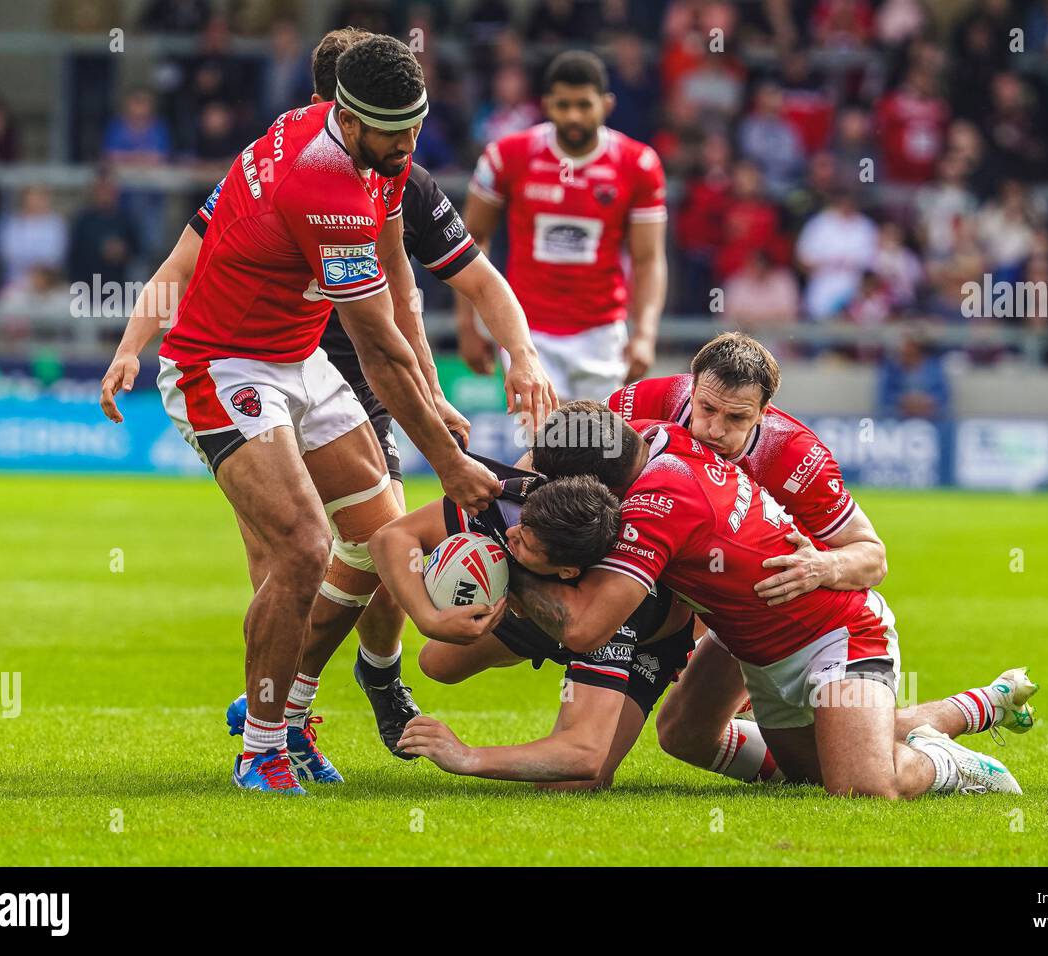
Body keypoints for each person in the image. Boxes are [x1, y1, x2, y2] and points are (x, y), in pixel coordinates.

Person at [101, 29, 556, 778]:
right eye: (395, 129)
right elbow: (377, 350)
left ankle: (293, 701)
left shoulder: (344, 142)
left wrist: (435, 395)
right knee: (300, 551)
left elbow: (402, 296)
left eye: (417, 122)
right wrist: (452, 467)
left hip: (298, 357)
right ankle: (263, 750)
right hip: (219, 366)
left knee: (383, 539)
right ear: (346, 119)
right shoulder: (324, 187)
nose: (410, 141)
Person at [503, 403, 1028, 798]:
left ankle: (951, 765)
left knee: (862, 786)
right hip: (751, 645)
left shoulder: (655, 507)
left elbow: (583, 630)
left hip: (836, 633)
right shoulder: (662, 436)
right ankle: (975, 705)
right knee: (692, 737)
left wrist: (511, 569)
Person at [370, 461, 707, 787]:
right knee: (437, 663)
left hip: (647, 645)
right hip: (544, 606)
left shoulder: (608, 612)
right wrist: (428, 620)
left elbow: (583, 754)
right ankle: (538, 631)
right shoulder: (510, 501)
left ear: (568, 572)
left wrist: (467, 757)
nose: (512, 534)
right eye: (523, 523)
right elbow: (390, 539)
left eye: (526, 544)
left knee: (572, 782)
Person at [459, 50, 668, 400]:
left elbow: (648, 258)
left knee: (600, 449)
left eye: (584, 105)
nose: (573, 115)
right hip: (526, 331)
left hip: (602, 333)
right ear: (546, 104)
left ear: (606, 104)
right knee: (544, 447)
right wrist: (469, 325)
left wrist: (645, 334)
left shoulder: (638, 164)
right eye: (563, 105)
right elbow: (471, 242)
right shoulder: (506, 156)